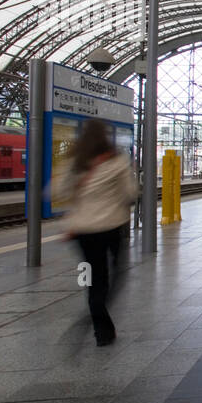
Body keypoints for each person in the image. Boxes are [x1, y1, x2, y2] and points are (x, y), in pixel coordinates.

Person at [51, 119, 138, 346]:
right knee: (116, 273)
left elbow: (57, 190)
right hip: (110, 227)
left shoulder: (74, 161)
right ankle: (99, 314)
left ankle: (100, 324)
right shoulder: (116, 160)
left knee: (93, 277)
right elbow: (131, 192)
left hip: (82, 231)